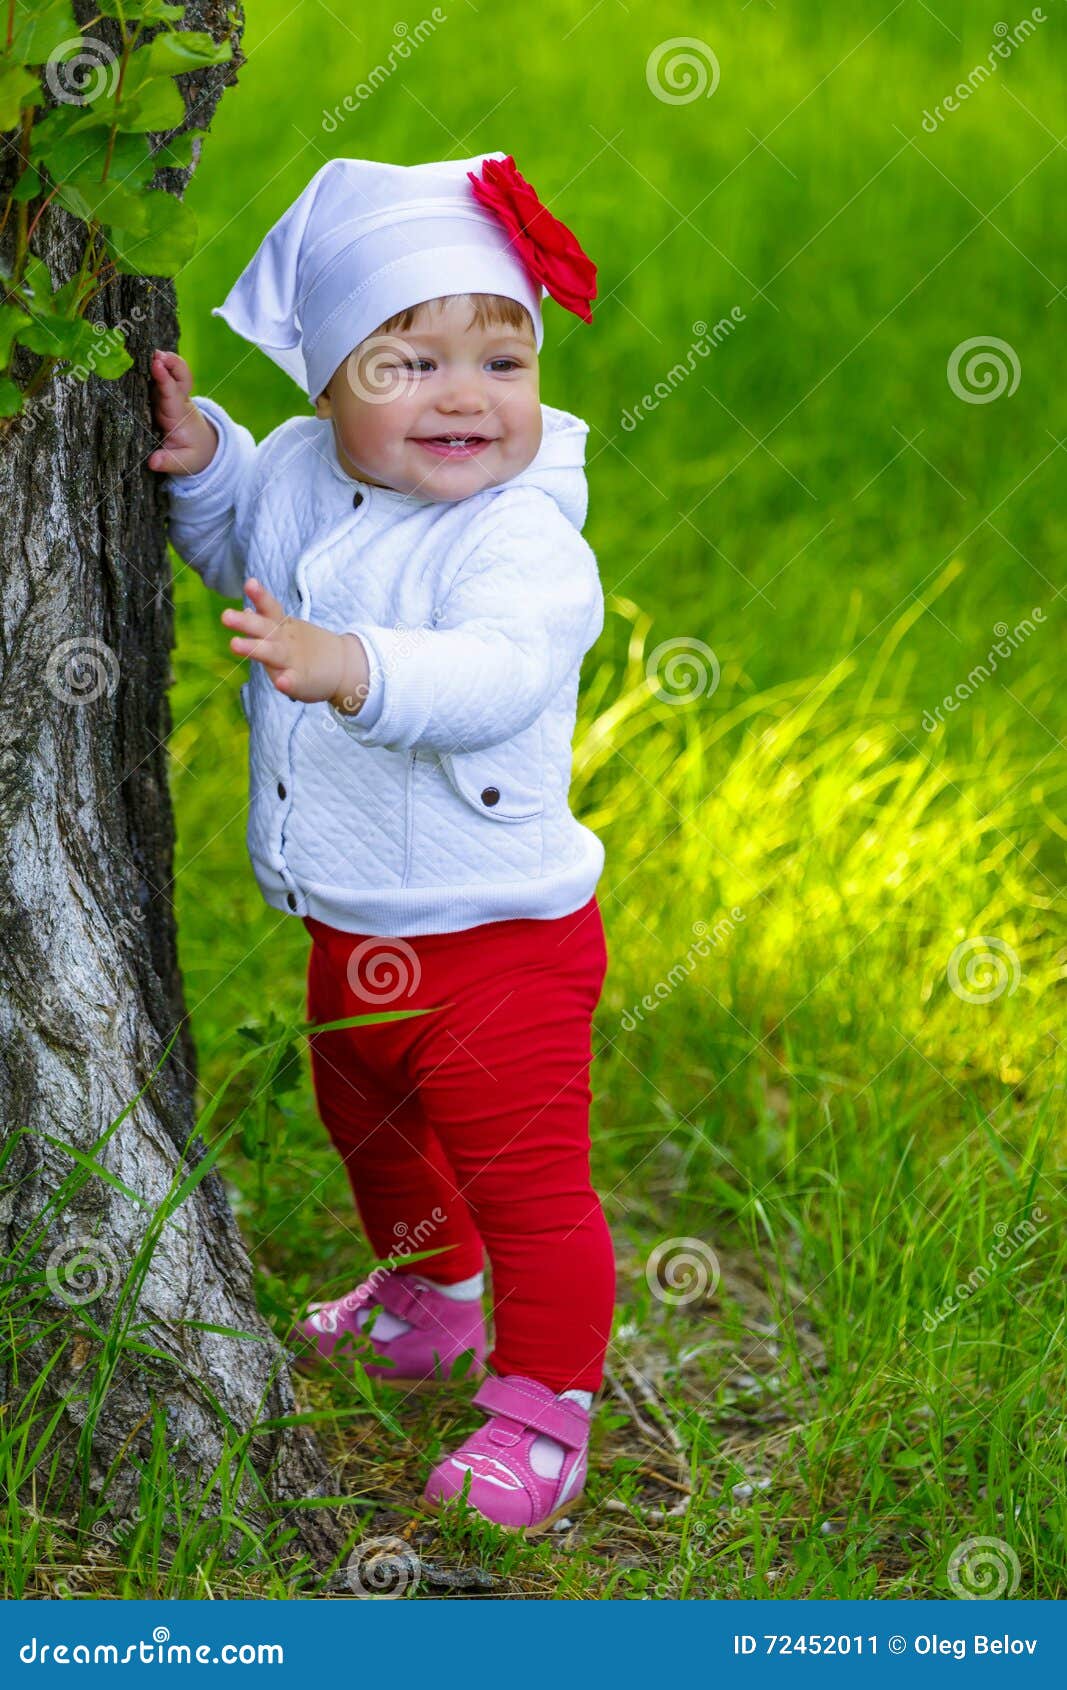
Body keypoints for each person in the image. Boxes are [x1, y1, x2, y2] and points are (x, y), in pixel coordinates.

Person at [149, 151, 612, 1535]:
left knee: (528, 1182)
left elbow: (494, 673)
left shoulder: (522, 540)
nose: (466, 396)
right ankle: (427, 1300)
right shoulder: (301, 466)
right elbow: (247, 531)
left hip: (500, 938)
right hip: (352, 918)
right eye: (408, 361)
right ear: (329, 384)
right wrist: (208, 460)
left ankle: (544, 1403)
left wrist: (348, 662)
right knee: (374, 1129)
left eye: (502, 358)